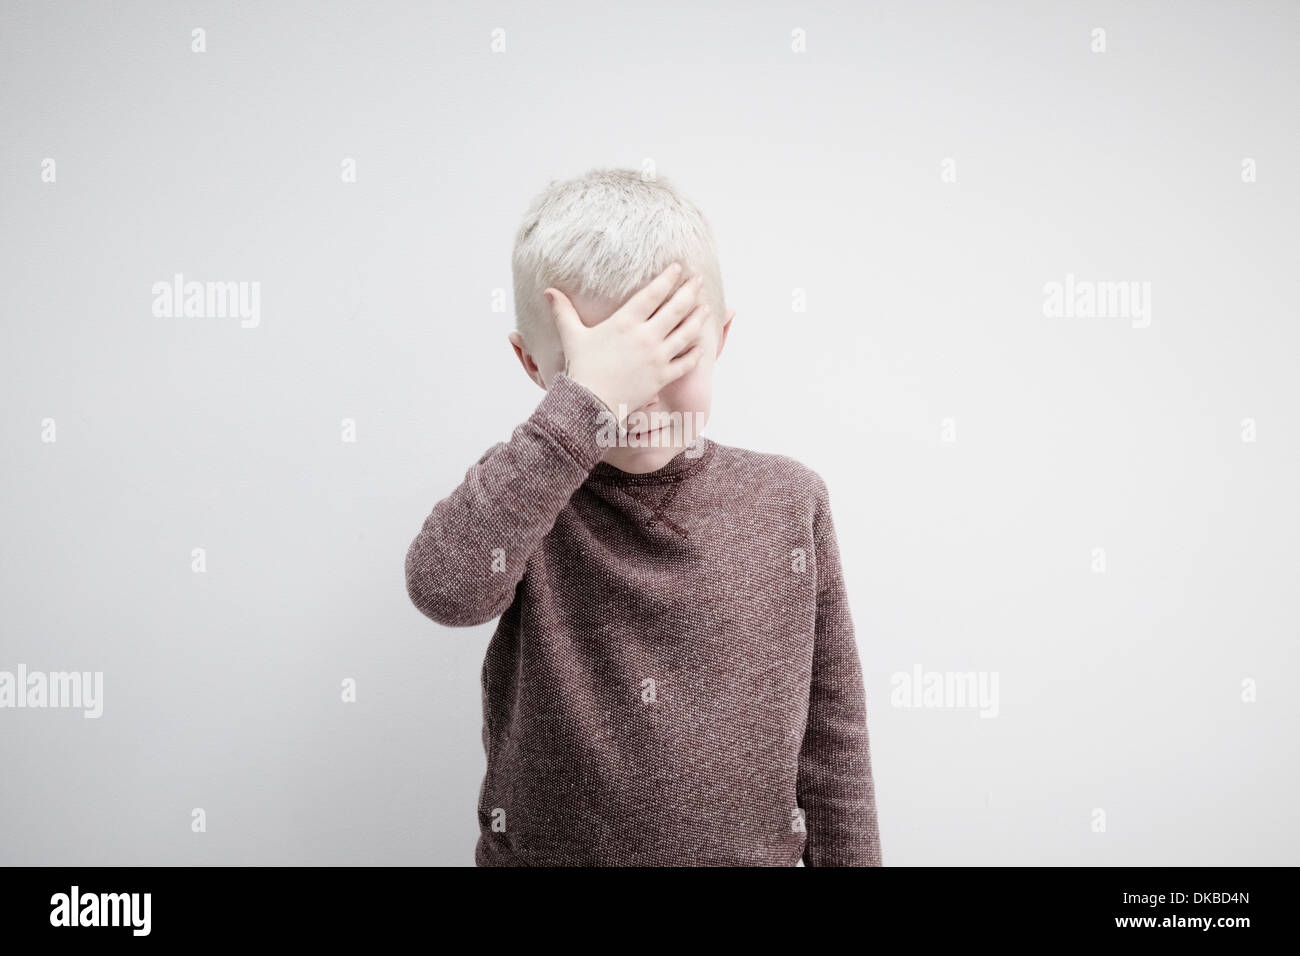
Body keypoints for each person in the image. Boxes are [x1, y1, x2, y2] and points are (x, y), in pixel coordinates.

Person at [405, 168, 882, 866]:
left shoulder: (788, 502)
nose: (639, 399)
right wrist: (584, 404)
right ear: (532, 365)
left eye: (671, 353)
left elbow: (834, 743)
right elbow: (443, 588)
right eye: (599, 368)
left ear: (720, 336)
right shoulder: (528, 493)